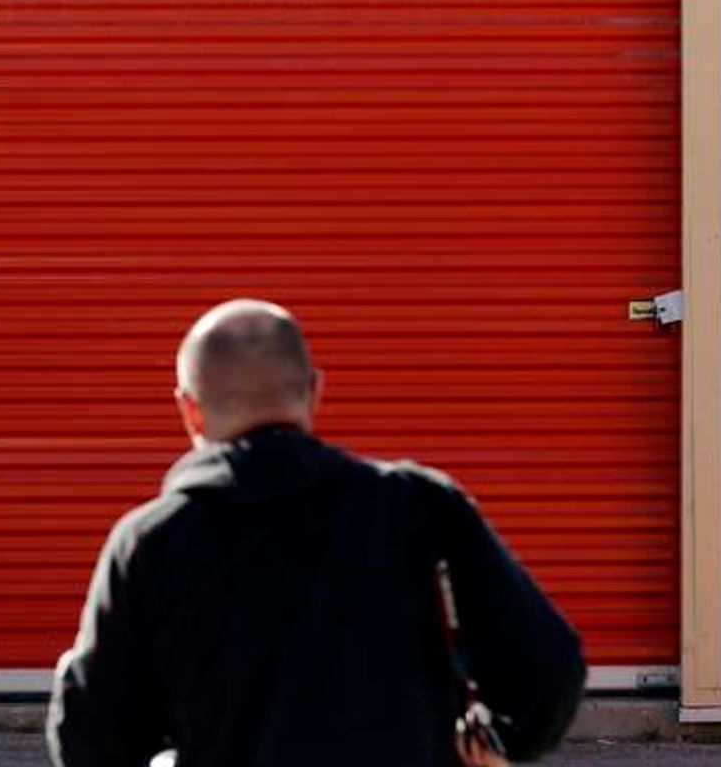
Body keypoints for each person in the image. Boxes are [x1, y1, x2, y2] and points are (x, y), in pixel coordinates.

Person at [48, 299, 586, 767]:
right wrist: (486, 738)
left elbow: (94, 745)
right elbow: (548, 673)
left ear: (189, 410)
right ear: (315, 390)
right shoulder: (418, 506)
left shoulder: (148, 543)